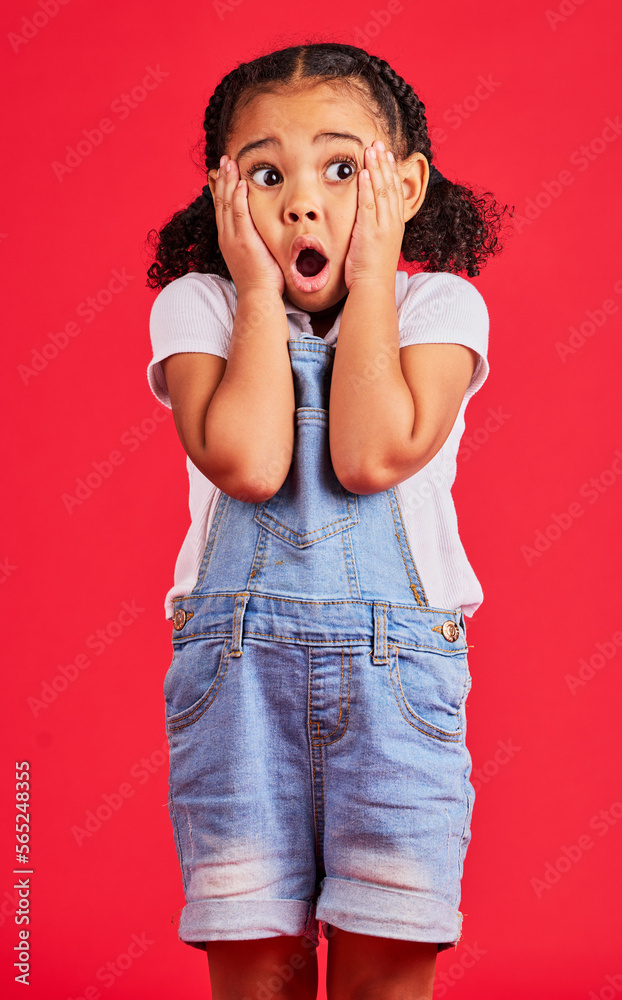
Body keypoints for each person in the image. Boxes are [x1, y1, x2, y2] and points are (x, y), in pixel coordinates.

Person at [145, 41, 511, 1000]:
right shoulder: (203, 308)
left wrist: (378, 269)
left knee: (384, 962)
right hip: (238, 685)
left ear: (406, 183)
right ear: (225, 193)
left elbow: (370, 453)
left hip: (399, 685)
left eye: (342, 169)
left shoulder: (438, 305)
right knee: (255, 961)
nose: (302, 201)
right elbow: (251, 464)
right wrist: (260, 292)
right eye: (267, 174)